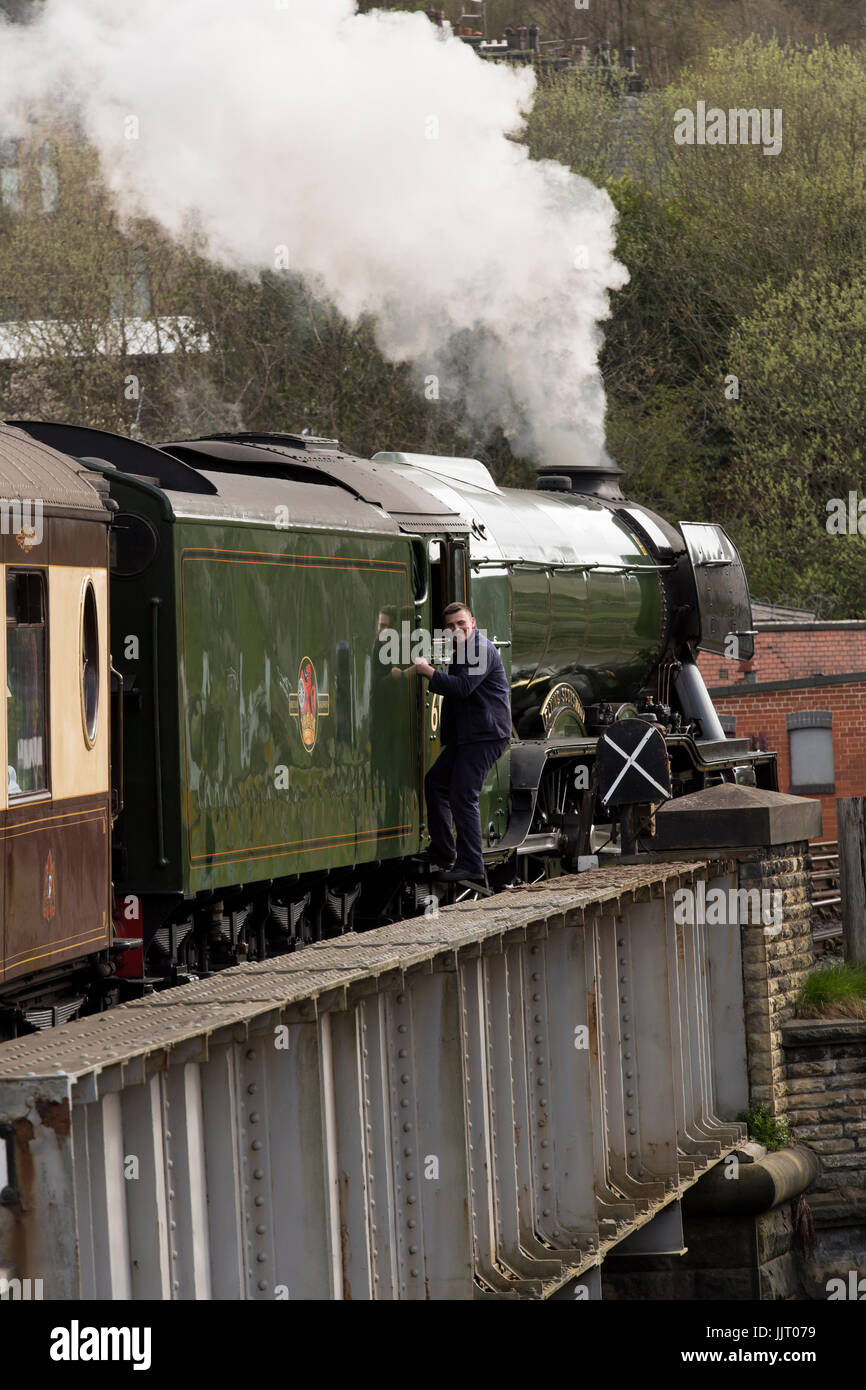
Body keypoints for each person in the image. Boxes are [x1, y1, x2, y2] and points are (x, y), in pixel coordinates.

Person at [414, 603, 511, 884]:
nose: (456, 629)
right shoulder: (464, 650)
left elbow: (463, 687)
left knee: (463, 794)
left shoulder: (480, 649)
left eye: (460, 624)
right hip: (469, 736)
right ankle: (443, 849)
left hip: (486, 734)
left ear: (473, 623)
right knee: (435, 782)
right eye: (450, 626)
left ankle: (472, 864)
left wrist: (427, 672)